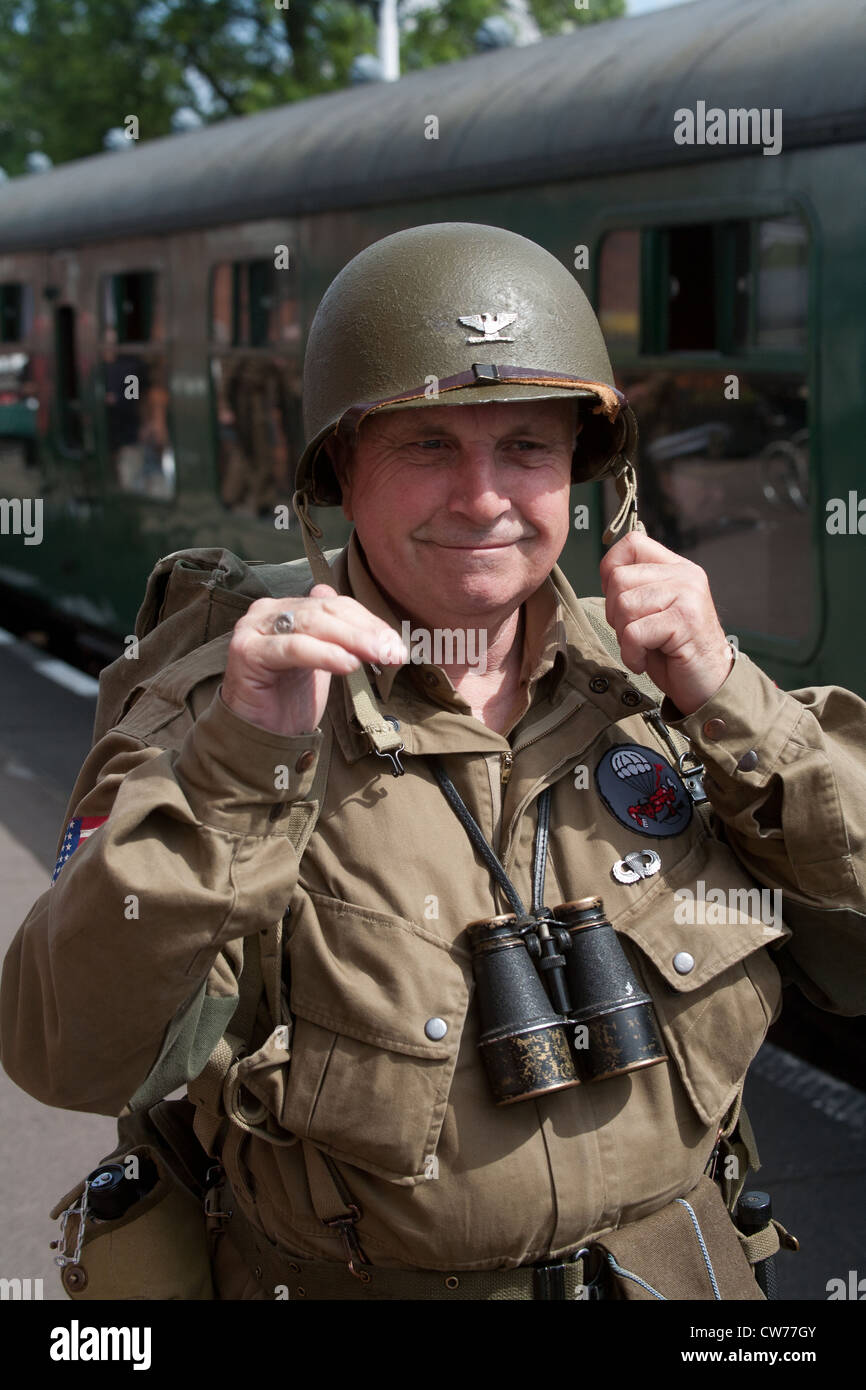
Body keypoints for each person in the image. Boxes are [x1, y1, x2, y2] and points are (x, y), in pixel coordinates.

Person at [3, 223, 865, 1300]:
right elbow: (70, 1051)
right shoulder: (232, 714)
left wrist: (731, 699)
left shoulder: (665, 692)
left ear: (583, 477)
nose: (482, 498)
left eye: (526, 448)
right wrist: (234, 772)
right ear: (339, 476)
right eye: (426, 447)